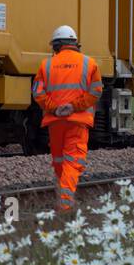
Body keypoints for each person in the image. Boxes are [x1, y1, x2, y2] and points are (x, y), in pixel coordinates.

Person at [32, 25, 103, 213]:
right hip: (77, 120)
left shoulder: (46, 65)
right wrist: (74, 107)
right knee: (73, 161)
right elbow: (96, 91)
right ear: (75, 44)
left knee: (59, 160)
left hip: (55, 122)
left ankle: (61, 197)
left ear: (56, 46)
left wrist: (55, 109)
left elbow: (37, 93)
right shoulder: (89, 63)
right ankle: (64, 205)